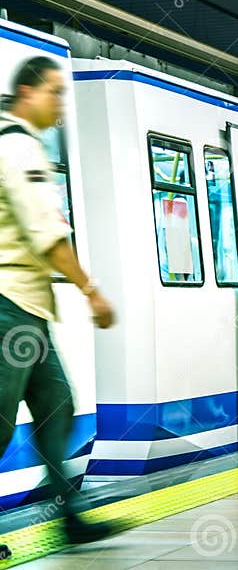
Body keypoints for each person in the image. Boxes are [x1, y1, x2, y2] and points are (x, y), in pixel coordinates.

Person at [0, 57, 118, 544]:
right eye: (55, 92)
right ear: (28, 93)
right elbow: (47, 234)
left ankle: (68, 515)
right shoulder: (18, 147)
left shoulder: (23, 145)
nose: (62, 104)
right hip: (9, 308)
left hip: (29, 309)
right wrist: (91, 292)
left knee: (58, 406)